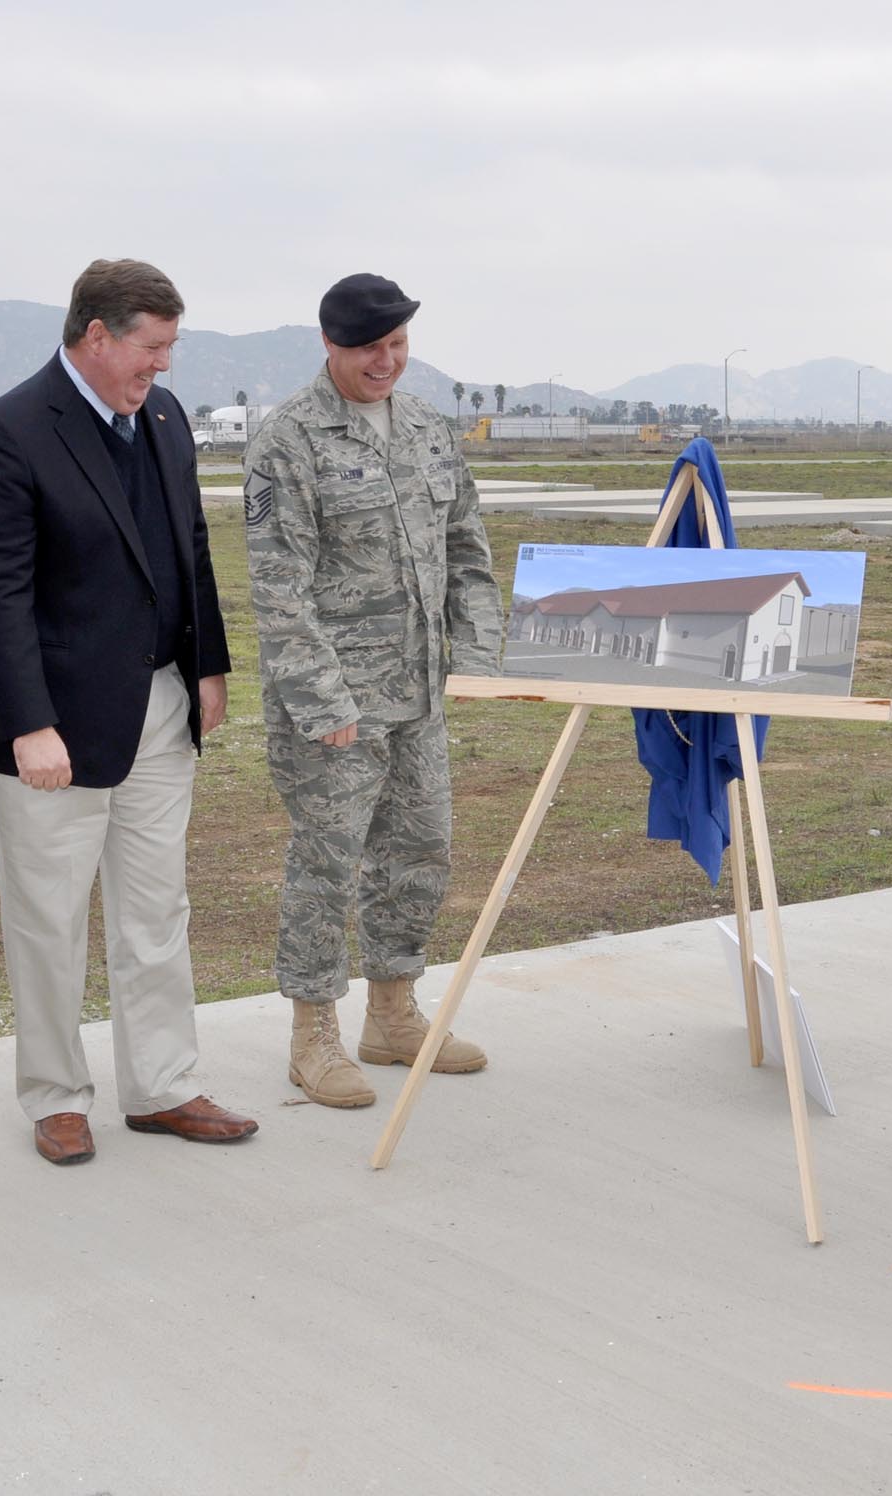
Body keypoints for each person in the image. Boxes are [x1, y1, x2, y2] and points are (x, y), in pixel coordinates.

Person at [0, 259, 257, 1165]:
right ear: (97, 336)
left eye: (168, 350)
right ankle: (55, 1095)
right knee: (47, 917)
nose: (161, 368)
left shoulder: (161, 419)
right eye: (151, 349)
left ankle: (161, 1085)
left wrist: (206, 667)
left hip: (161, 705)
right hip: (54, 724)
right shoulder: (6, 434)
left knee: (157, 908)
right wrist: (27, 723)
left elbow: (189, 546)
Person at [243, 273, 503, 1109]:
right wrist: (325, 706)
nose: (386, 363)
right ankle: (312, 1034)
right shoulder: (289, 438)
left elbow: (468, 549)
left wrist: (479, 661)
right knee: (326, 863)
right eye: (368, 350)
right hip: (336, 708)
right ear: (330, 345)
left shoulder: (428, 428)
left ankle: (392, 1014)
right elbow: (279, 588)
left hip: (419, 692)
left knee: (420, 853)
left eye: (397, 346)